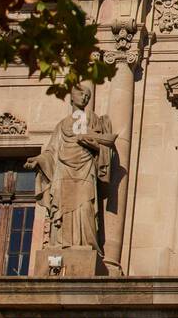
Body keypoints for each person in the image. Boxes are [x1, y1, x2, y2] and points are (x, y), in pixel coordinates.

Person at [26, 83, 115, 251]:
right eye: (81, 94)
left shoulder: (93, 119)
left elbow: (104, 147)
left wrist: (91, 143)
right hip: (63, 172)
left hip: (85, 168)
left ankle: (86, 245)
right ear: (72, 97)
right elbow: (52, 150)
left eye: (88, 96)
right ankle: (61, 245)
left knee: (85, 208)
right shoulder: (62, 125)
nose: (85, 98)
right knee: (62, 208)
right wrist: (38, 159)